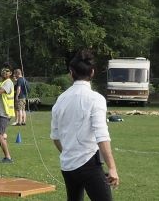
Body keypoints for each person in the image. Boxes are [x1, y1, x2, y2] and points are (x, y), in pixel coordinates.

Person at [50, 49, 119, 201]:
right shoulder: (96, 99)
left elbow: (55, 137)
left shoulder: (60, 100)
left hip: (67, 166)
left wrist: (68, 152)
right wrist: (112, 167)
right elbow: (101, 135)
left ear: (71, 73)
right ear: (92, 73)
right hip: (89, 163)